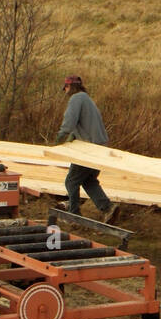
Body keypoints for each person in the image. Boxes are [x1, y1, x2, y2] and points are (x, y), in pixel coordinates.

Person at [56, 75, 119, 224]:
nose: (65, 91)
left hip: (89, 149)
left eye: (65, 87)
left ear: (69, 87)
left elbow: (69, 122)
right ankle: (108, 207)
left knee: (71, 182)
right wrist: (73, 135)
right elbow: (85, 124)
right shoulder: (87, 100)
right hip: (101, 146)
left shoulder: (75, 99)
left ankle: (74, 215)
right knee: (88, 180)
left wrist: (60, 137)